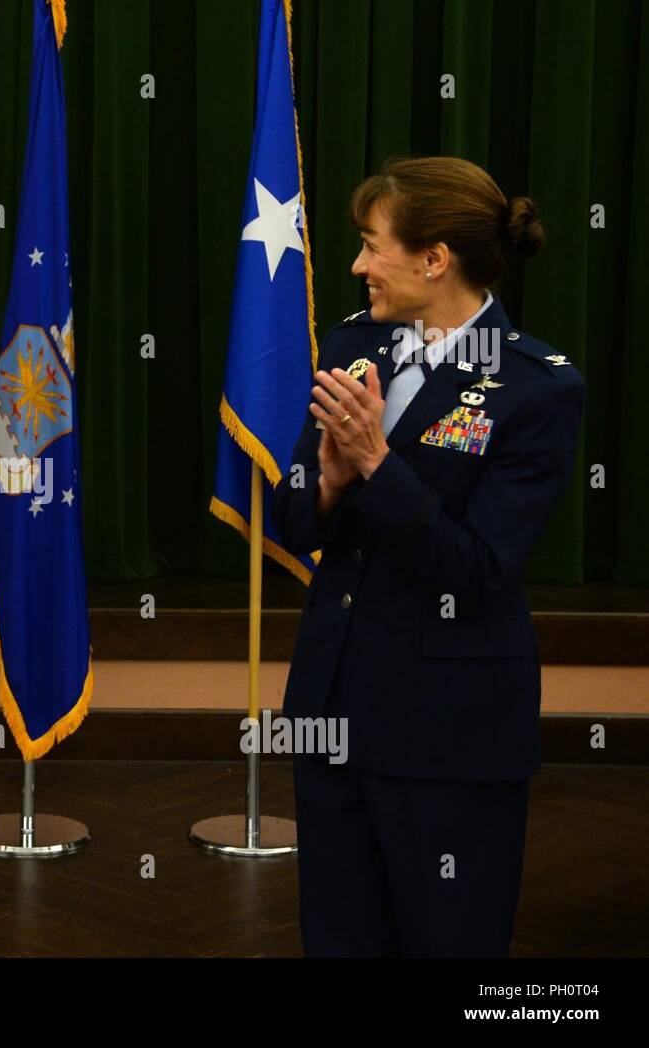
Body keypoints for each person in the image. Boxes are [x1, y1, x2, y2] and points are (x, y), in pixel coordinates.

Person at [271, 156, 584, 957]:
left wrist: (377, 463)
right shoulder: (353, 342)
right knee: (339, 940)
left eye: (373, 245)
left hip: (448, 728)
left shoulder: (535, 388)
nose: (358, 265)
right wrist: (334, 482)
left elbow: (477, 567)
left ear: (434, 259)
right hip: (332, 707)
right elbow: (296, 517)